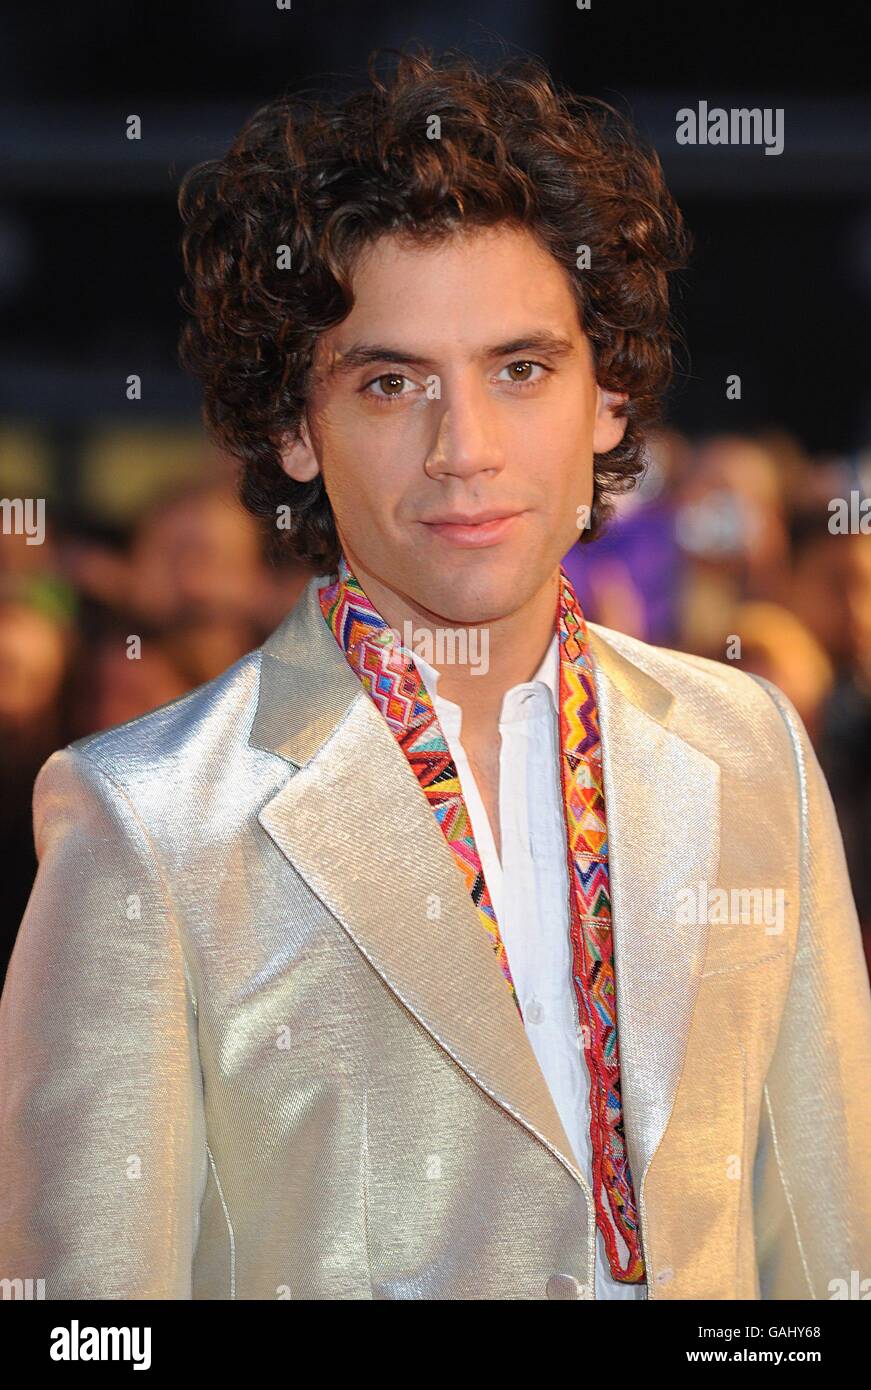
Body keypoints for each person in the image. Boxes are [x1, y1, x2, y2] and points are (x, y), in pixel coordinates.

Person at [1, 46, 869, 1302]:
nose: (464, 448)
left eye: (521, 369)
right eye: (393, 381)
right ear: (295, 428)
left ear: (609, 397)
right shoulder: (147, 819)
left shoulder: (750, 752)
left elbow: (829, 1267)